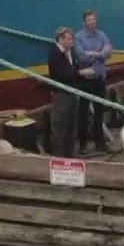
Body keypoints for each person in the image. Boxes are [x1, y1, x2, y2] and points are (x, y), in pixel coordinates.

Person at [46, 27, 94, 157]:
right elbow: (60, 74)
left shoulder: (70, 52)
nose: (71, 42)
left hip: (72, 92)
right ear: (60, 39)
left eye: (71, 39)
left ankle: (70, 154)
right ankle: (59, 156)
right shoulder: (55, 53)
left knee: (72, 125)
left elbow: (74, 68)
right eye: (68, 39)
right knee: (60, 126)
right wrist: (79, 73)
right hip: (61, 94)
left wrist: (84, 73)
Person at [73, 9, 115, 153]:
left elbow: (109, 50)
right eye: (89, 20)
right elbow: (81, 57)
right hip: (85, 80)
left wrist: (94, 53)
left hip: (99, 78)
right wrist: (100, 54)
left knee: (99, 112)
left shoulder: (102, 35)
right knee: (83, 113)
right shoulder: (78, 37)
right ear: (84, 22)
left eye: (93, 19)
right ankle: (83, 145)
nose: (92, 22)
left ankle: (100, 143)